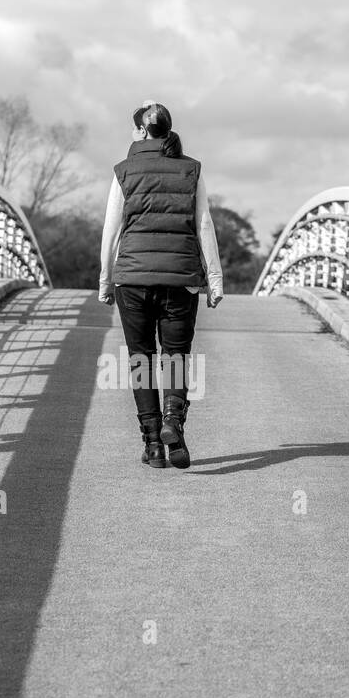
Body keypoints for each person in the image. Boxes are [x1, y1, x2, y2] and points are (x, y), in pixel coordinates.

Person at [98, 101, 224, 469]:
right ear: (167, 130)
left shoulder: (123, 171)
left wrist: (106, 280)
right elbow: (204, 225)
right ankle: (173, 425)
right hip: (179, 280)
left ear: (140, 132)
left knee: (141, 360)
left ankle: (153, 445)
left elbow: (111, 231)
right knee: (176, 358)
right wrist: (214, 281)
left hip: (132, 279)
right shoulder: (191, 170)